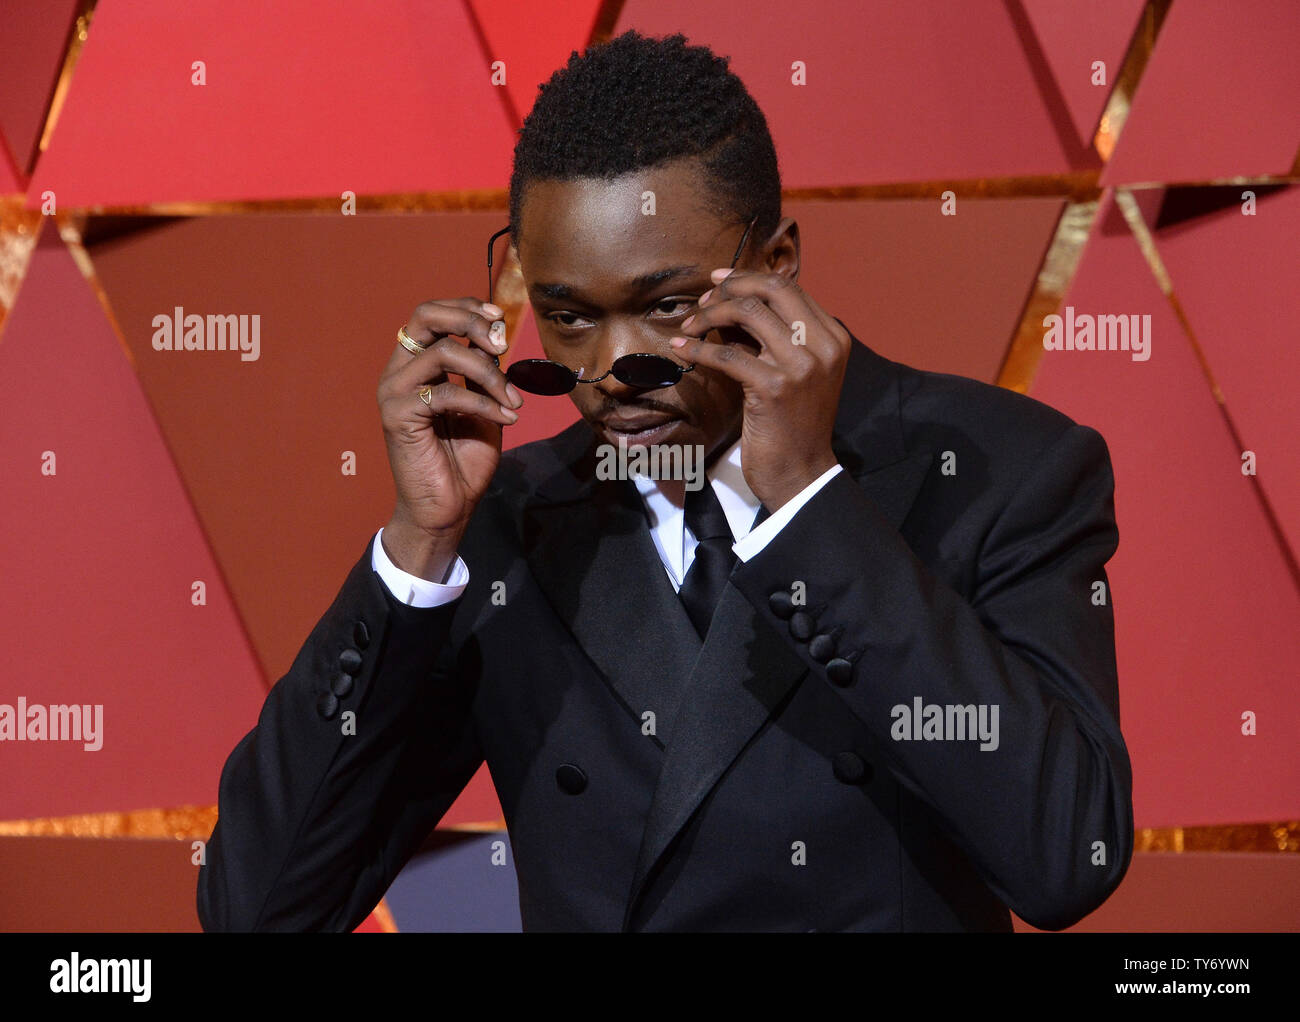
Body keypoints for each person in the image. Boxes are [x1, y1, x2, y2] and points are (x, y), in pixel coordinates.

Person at [197, 30, 1133, 932]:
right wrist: (417, 547)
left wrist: (811, 505)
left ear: (778, 264)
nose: (614, 366)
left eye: (668, 306)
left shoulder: (1001, 470)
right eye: (568, 318)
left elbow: (1065, 860)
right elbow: (261, 905)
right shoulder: (502, 525)